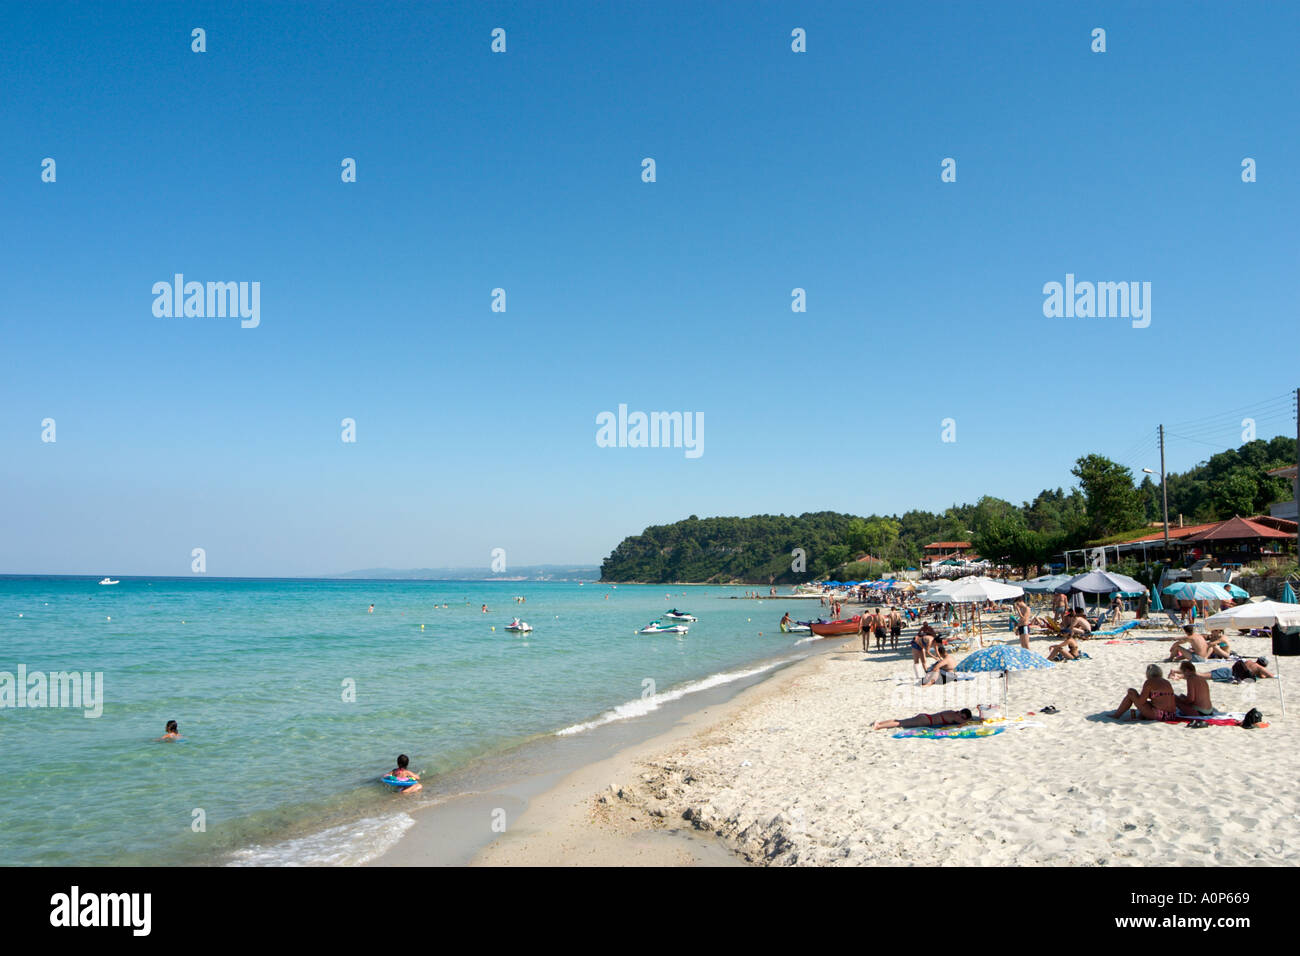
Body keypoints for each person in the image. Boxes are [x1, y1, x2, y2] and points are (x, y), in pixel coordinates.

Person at [1110, 664, 1178, 721]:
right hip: (1172, 715)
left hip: (1160, 715)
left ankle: (1116, 715)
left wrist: (1134, 696)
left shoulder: (1149, 682)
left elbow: (1141, 702)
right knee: (1149, 703)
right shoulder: (1166, 682)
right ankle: (1139, 717)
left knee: (1131, 692)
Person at [873, 708, 972, 731]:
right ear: (960, 713)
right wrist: (968, 720)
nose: (961, 718)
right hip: (925, 721)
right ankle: (878, 726)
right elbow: (964, 722)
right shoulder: (956, 717)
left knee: (901, 721)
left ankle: (880, 723)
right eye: (962, 716)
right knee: (900, 723)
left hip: (925, 717)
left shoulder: (952, 712)